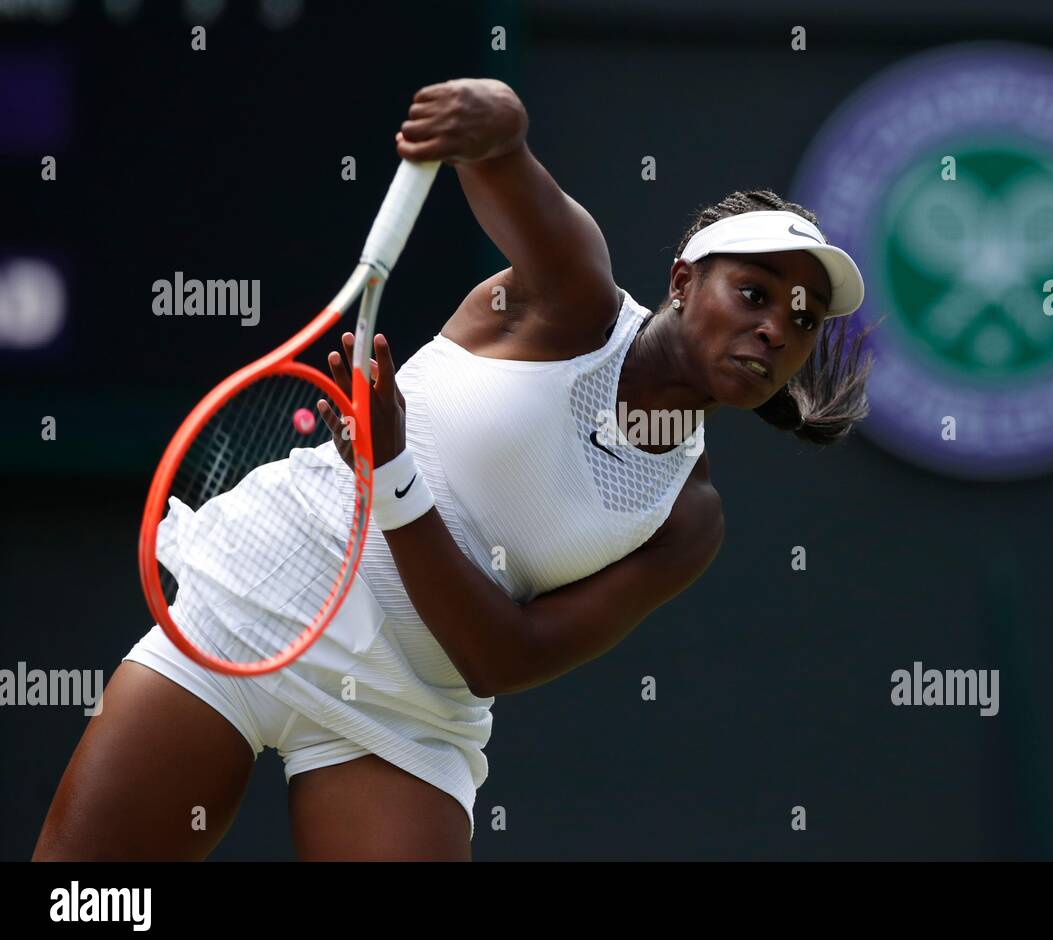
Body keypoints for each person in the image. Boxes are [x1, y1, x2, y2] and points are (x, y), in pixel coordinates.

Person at [32, 78, 872, 862]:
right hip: (266, 591)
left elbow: (499, 657)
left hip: (409, 706)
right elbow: (503, 156)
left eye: (800, 322)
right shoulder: (572, 296)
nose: (774, 330)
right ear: (684, 282)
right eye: (754, 293)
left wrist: (390, 467)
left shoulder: (689, 518)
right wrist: (494, 118)